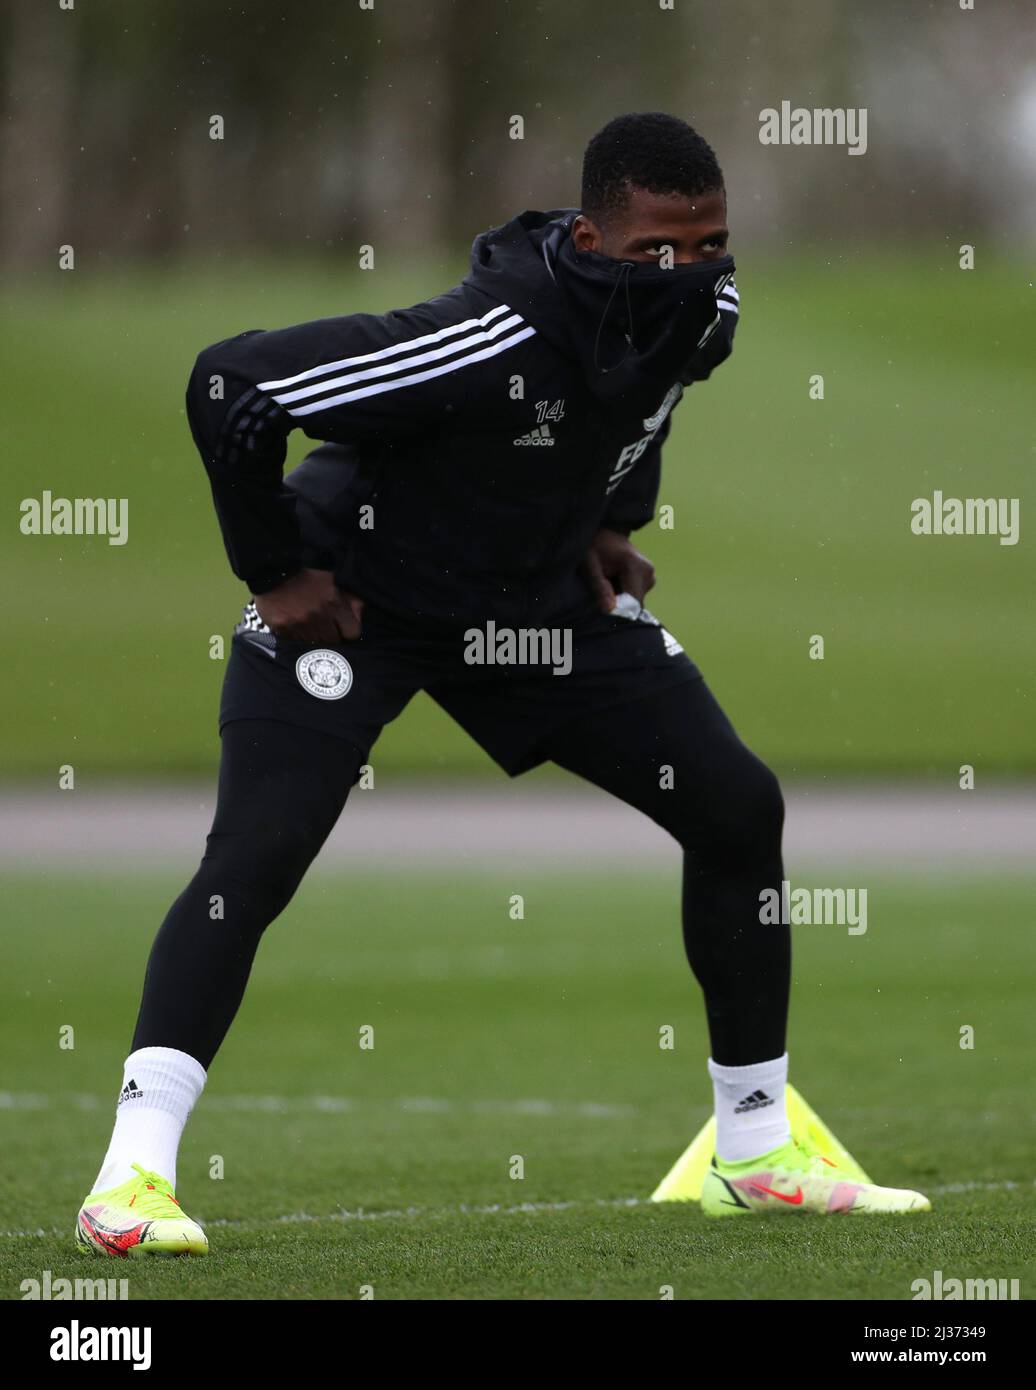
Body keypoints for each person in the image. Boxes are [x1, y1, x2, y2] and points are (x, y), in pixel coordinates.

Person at [75, 112, 928, 1256]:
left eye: (709, 243)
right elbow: (231, 384)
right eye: (656, 249)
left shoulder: (707, 306)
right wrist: (274, 569)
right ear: (588, 238)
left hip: (531, 608)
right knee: (254, 860)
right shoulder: (487, 334)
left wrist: (612, 523)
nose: (687, 270)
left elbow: (645, 401)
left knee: (736, 805)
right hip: (358, 604)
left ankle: (757, 1152)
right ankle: (131, 1180)